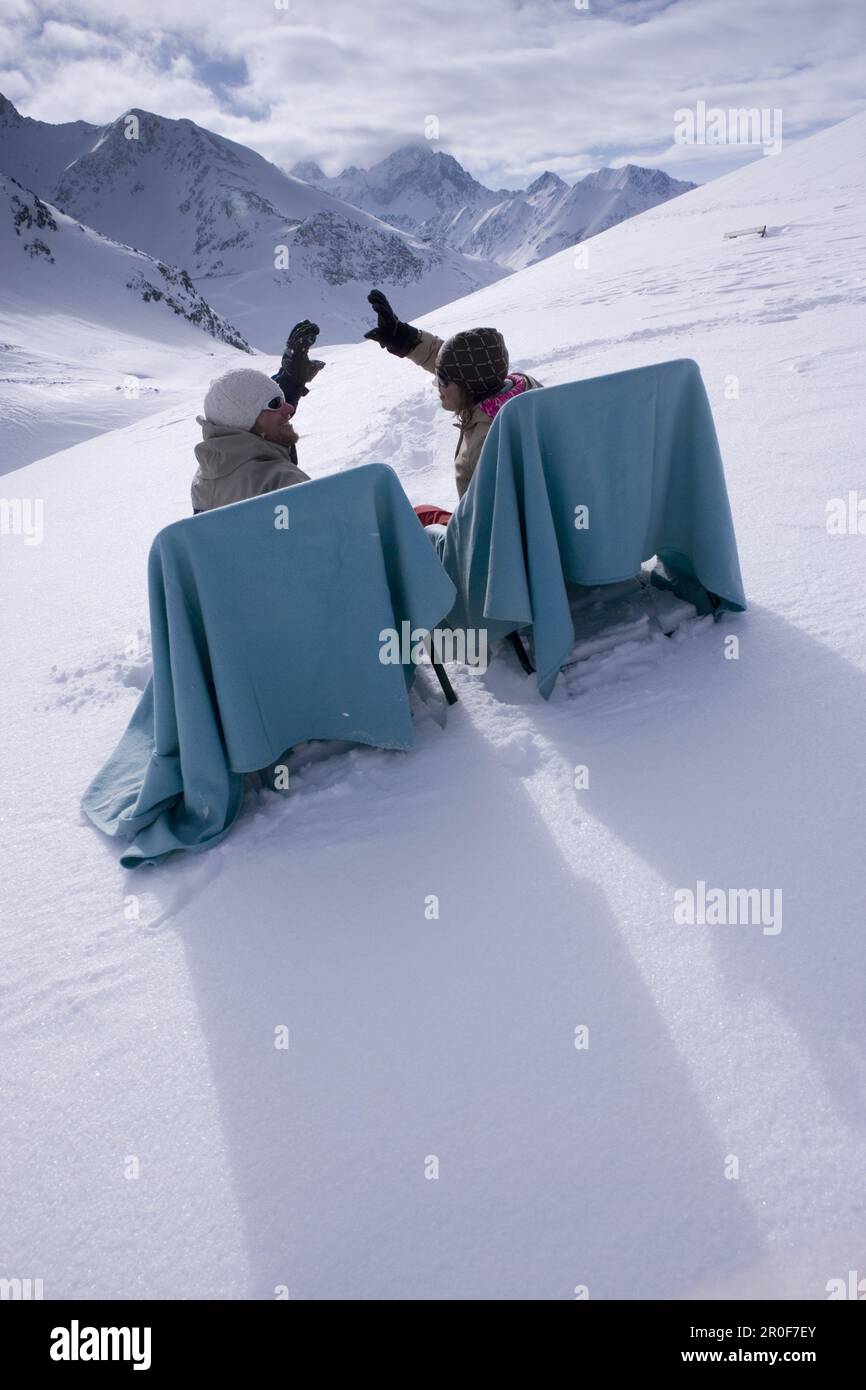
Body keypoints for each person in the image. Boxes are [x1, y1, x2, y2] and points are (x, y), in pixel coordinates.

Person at [363, 290, 543, 519]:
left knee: (417, 519)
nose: (437, 384)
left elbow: (496, 524)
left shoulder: (487, 442)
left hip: (488, 538)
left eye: (443, 380)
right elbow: (463, 363)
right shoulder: (521, 389)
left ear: (467, 386)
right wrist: (404, 338)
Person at [191, 320, 325, 514]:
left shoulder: (204, 482)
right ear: (244, 422)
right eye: (276, 403)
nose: (289, 407)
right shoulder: (282, 482)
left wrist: (290, 382)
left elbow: (250, 411)